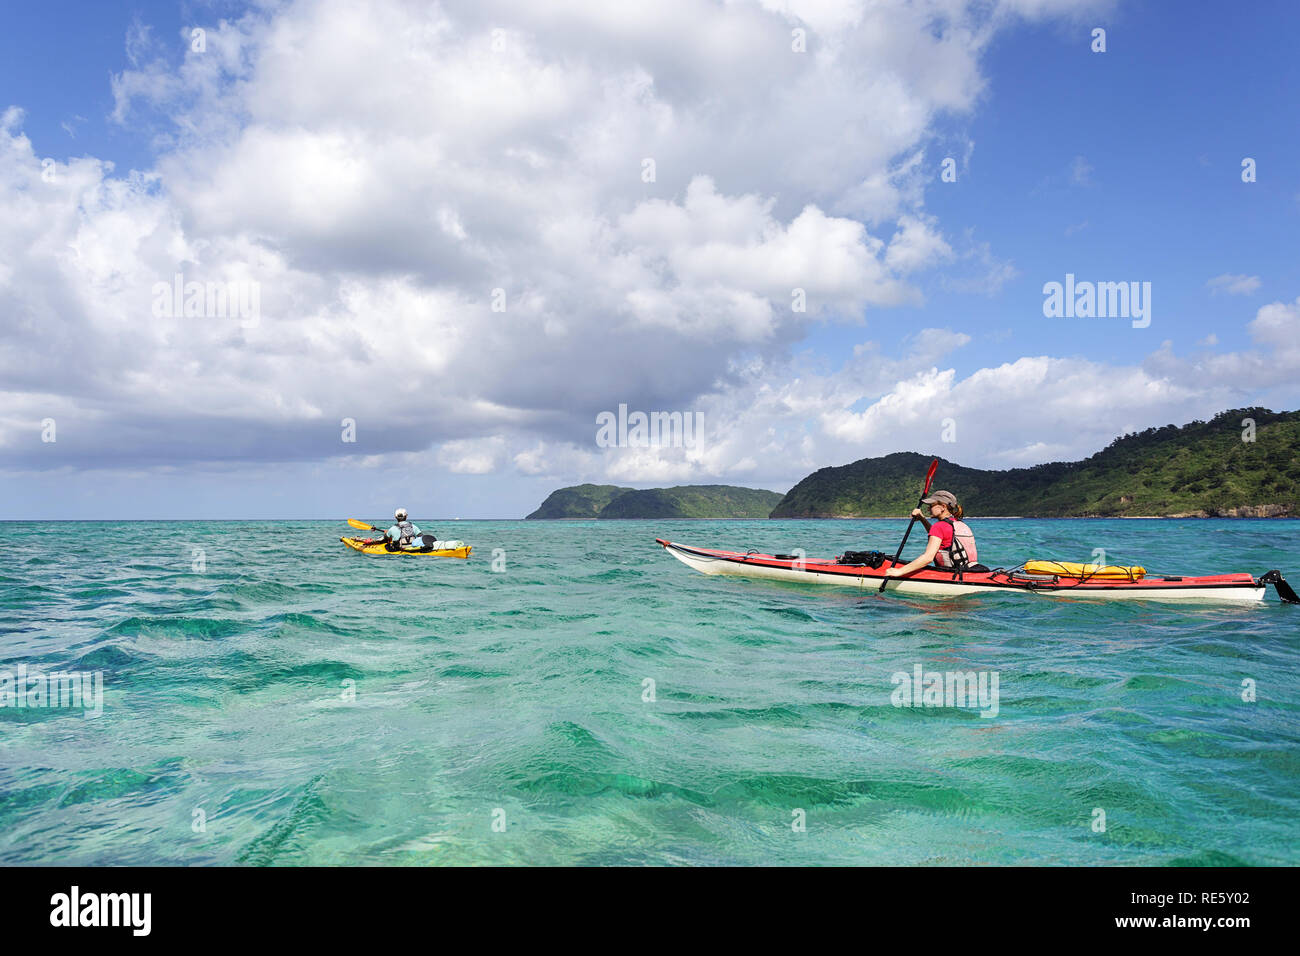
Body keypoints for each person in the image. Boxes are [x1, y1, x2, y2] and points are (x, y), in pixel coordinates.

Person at [884, 490, 979, 577]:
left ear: (943, 507)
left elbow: (928, 558)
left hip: (951, 574)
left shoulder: (939, 526)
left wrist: (899, 571)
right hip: (970, 571)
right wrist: (922, 519)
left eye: (931, 505)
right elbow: (940, 536)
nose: (929, 509)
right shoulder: (960, 524)